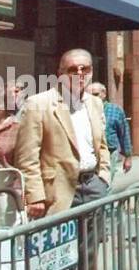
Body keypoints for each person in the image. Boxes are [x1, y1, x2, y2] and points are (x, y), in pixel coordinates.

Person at [16, 50, 111, 218]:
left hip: (94, 187)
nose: (80, 74)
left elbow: (102, 144)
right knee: (62, 244)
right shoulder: (38, 104)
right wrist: (35, 196)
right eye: (73, 69)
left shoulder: (95, 103)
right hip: (57, 193)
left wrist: (104, 176)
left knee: (93, 242)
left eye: (85, 69)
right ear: (60, 74)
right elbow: (27, 157)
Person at [88, 83, 133, 176]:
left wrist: (128, 157)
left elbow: (124, 134)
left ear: (104, 94)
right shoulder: (84, 110)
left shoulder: (115, 110)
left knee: (106, 184)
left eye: (96, 94)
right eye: (90, 95)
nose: (93, 98)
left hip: (110, 153)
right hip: (90, 154)